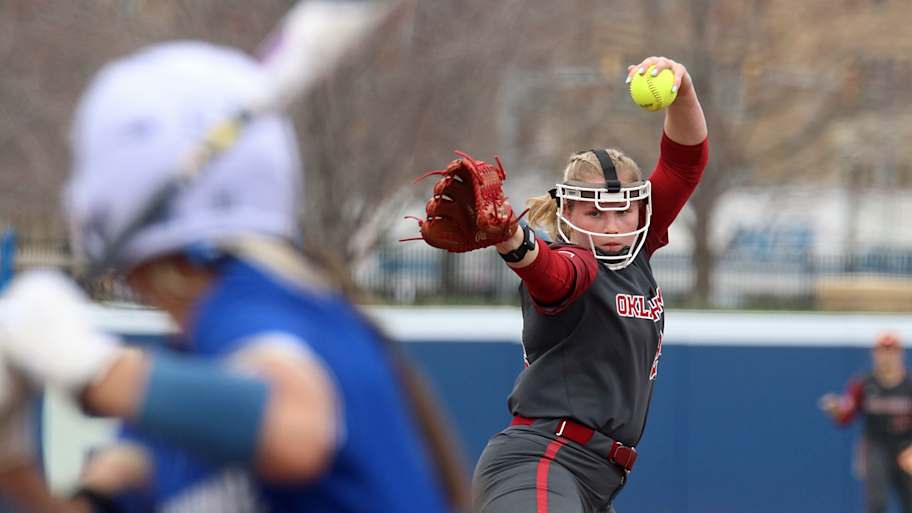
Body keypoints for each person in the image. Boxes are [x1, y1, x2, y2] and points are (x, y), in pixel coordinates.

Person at [0, 41, 467, 513]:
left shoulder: (252, 301)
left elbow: (297, 430)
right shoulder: (187, 376)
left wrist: (94, 368)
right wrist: (12, 464)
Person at [459, 56, 708, 513]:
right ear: (568, 215)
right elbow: (551, 274)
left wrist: (685, 89)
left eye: (623, 211)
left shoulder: (638, 250)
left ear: (640, 211)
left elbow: (685, 163)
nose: (612, 225)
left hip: (595, 478)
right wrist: (513, 240)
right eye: (595, 213)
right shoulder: (573, 258)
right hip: (540, 461)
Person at [820, 332, 912, 513]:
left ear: (900, 354)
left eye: (891, 351)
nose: (887, 357)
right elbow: (846, 416)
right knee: (876, 502)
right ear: (875, 354)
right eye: (882, 352)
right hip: (876, 447)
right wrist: (836, 410)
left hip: (905, 449)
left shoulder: (909, 385)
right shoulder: (863, 383)